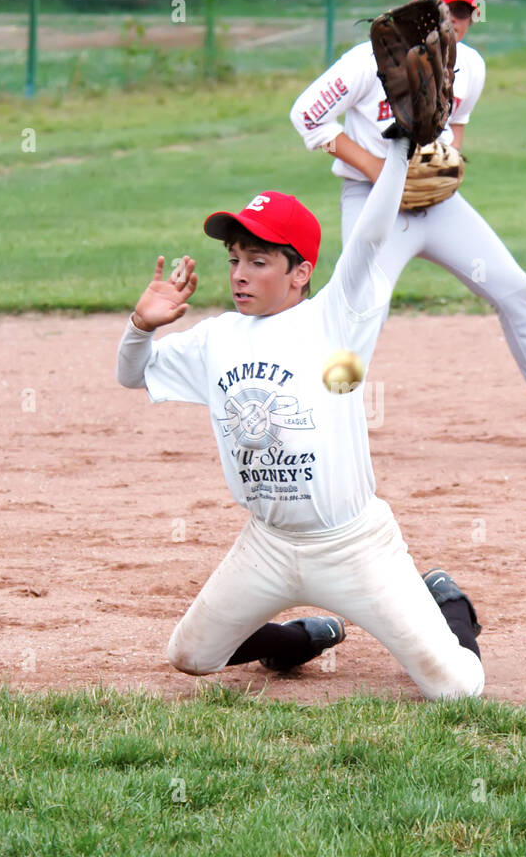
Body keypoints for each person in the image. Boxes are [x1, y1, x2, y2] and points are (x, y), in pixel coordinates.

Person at [115, 137, 484, 701]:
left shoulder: (337, 320)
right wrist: (141, 326)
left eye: (259, 261)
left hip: (353, 546)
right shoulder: (215, 338)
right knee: (190, 657)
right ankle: (303, 638)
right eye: (234, 259)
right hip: (266, 545)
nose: (240, 273)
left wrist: (401, 149)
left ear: (299, 272)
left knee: (456, 689)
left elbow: (372, 234)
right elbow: (132, 375)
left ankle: (447, 604)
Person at [290, 0, 526, 460]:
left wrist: (447, 163)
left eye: (462, 10)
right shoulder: (366, 62)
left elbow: (453, 134)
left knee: (514, 287)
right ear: (416, 11)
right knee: (364, 307)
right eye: (441, 10)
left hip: (438, 206)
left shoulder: (470, 66)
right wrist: (376, 169)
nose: (452, 20)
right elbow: (305, 114)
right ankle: (322, 424)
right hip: (374, 206)